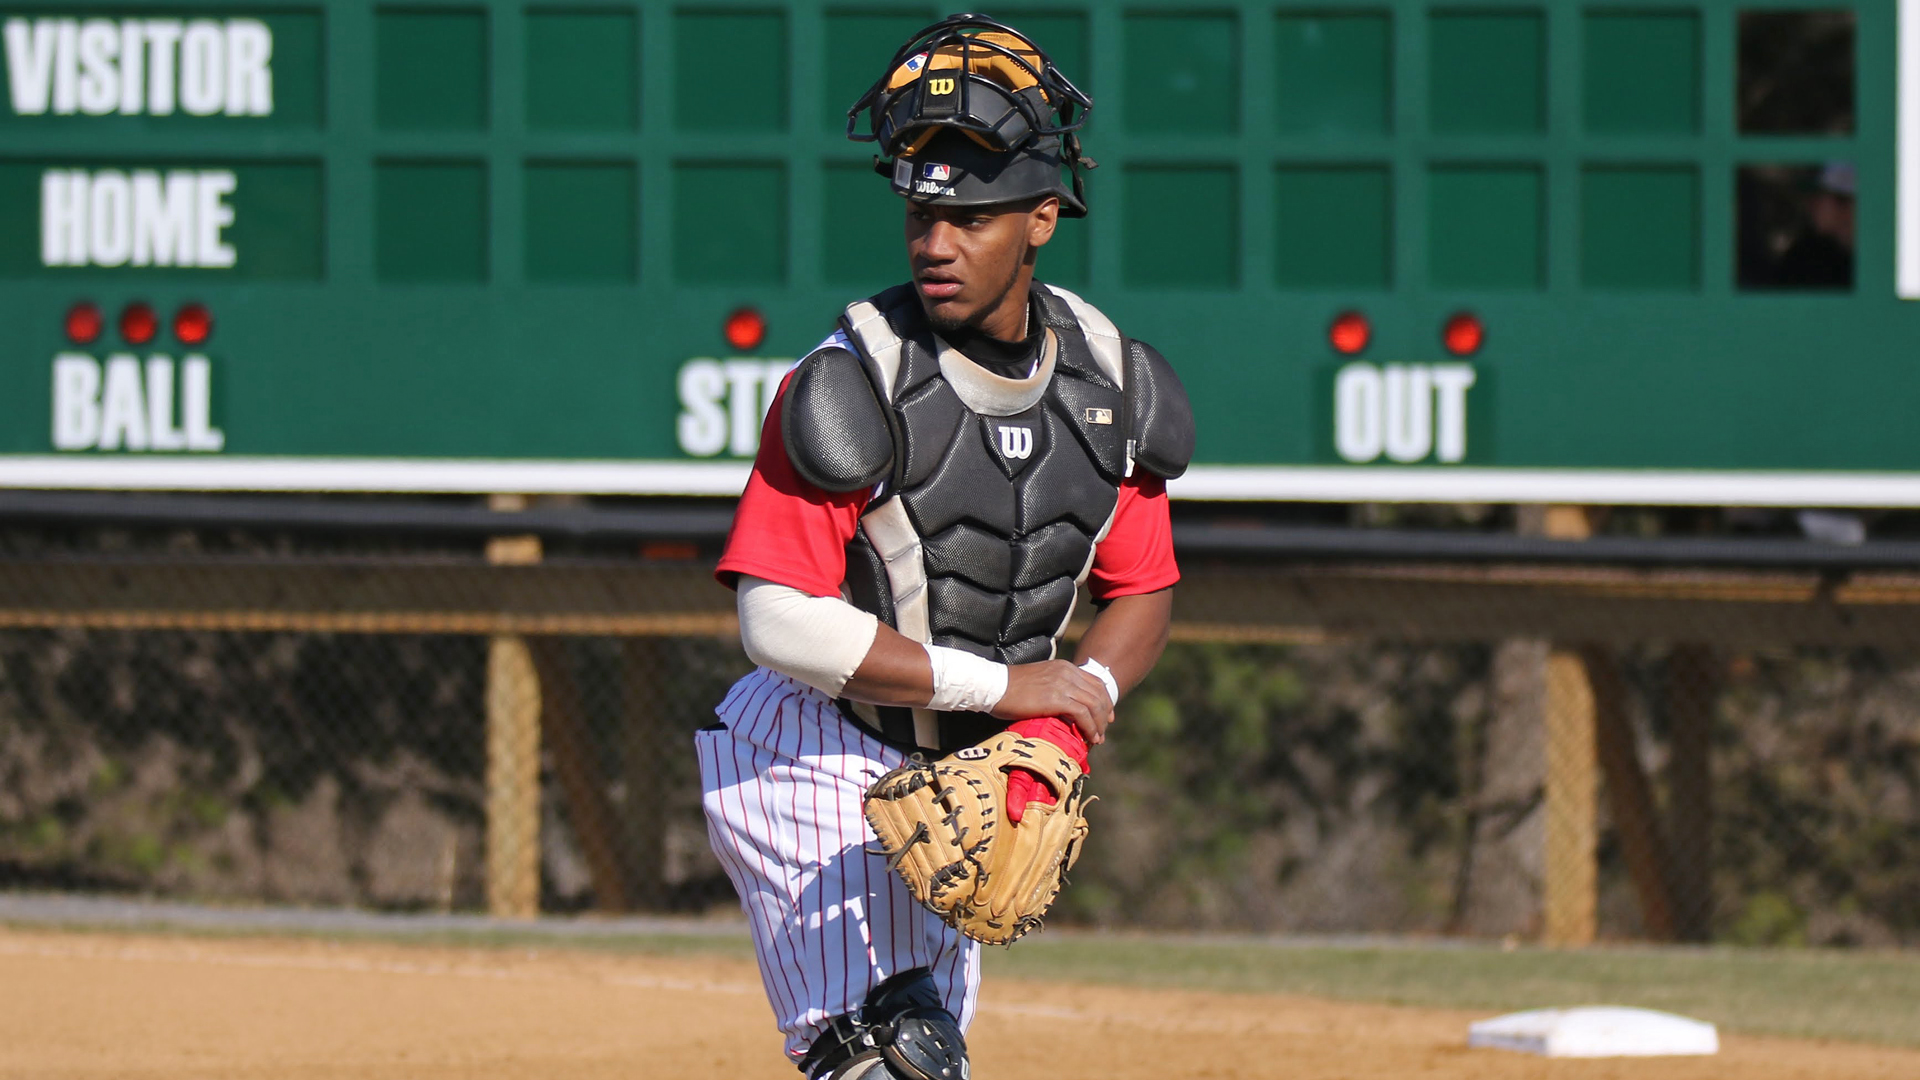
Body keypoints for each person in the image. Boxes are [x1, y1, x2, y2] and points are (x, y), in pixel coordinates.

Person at [696, 16, 1192, 1079]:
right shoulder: (850, 382)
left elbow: (1143, 587)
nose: (935, 243)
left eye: (970, 218)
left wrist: (1073, 710)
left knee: (930, 1056)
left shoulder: (1109, 380)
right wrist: (1011, 690)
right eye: (922, 213)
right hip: (817, 749)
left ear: (1042, 217)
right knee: (890, 1055)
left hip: (965, 773)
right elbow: (775, 618)